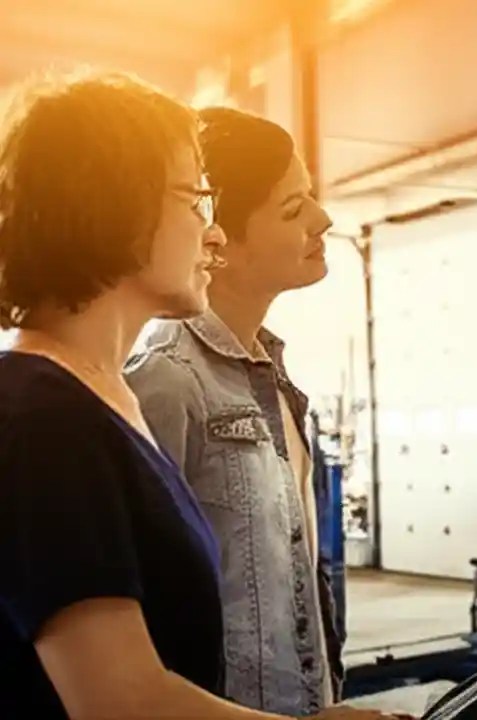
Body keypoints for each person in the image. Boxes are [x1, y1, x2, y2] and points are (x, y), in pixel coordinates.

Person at [0, 71, 399, 720]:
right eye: (197, 201)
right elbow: (119, 700)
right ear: (117, 208)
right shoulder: (44, 417)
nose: (212, 235)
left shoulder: (97, 401)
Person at [125, 107, 346, 716]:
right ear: (218, 236)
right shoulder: (165, 383)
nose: (323, 219)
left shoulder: (271, 376)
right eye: (293, 207)